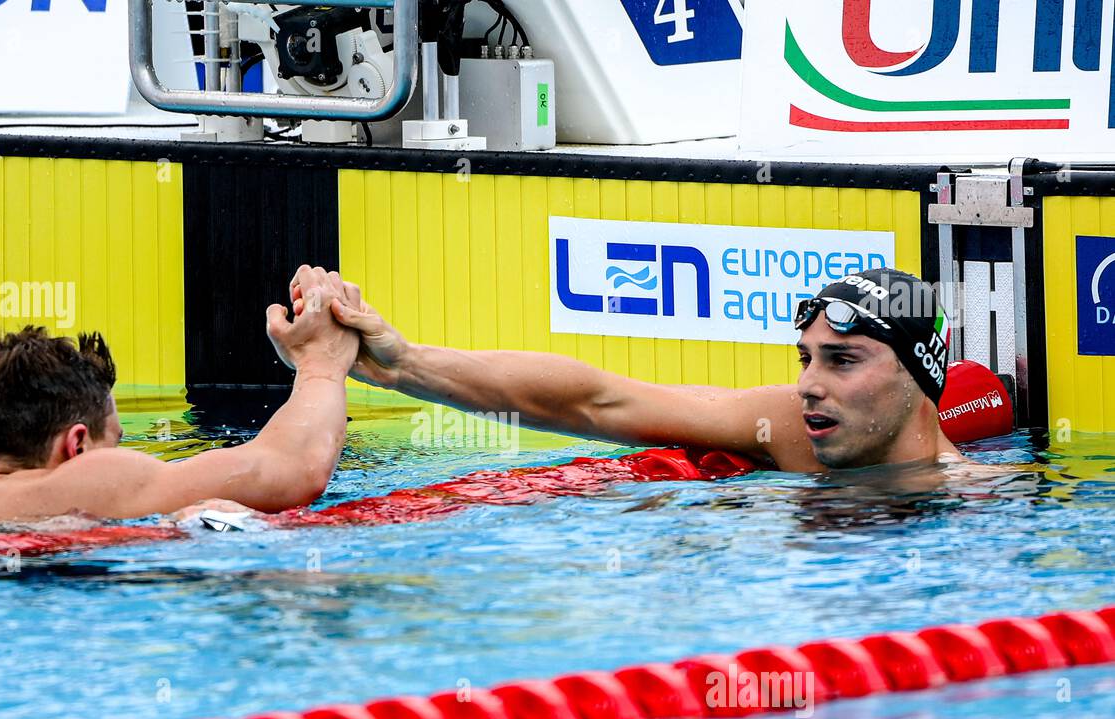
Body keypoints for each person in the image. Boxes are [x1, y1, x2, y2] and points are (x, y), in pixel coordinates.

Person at [270, 266, 963, 474]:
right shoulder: (787, 427)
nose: (811, 382)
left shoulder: (974, 507)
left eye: (843, 361)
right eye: (807, 359)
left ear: (919, 380)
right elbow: (601, 403)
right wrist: (404, 363)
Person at [0, 266, 357, 528]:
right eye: (116, 443)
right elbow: (296, 469)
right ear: (76, 445)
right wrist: (322, 361)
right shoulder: (78, 484)